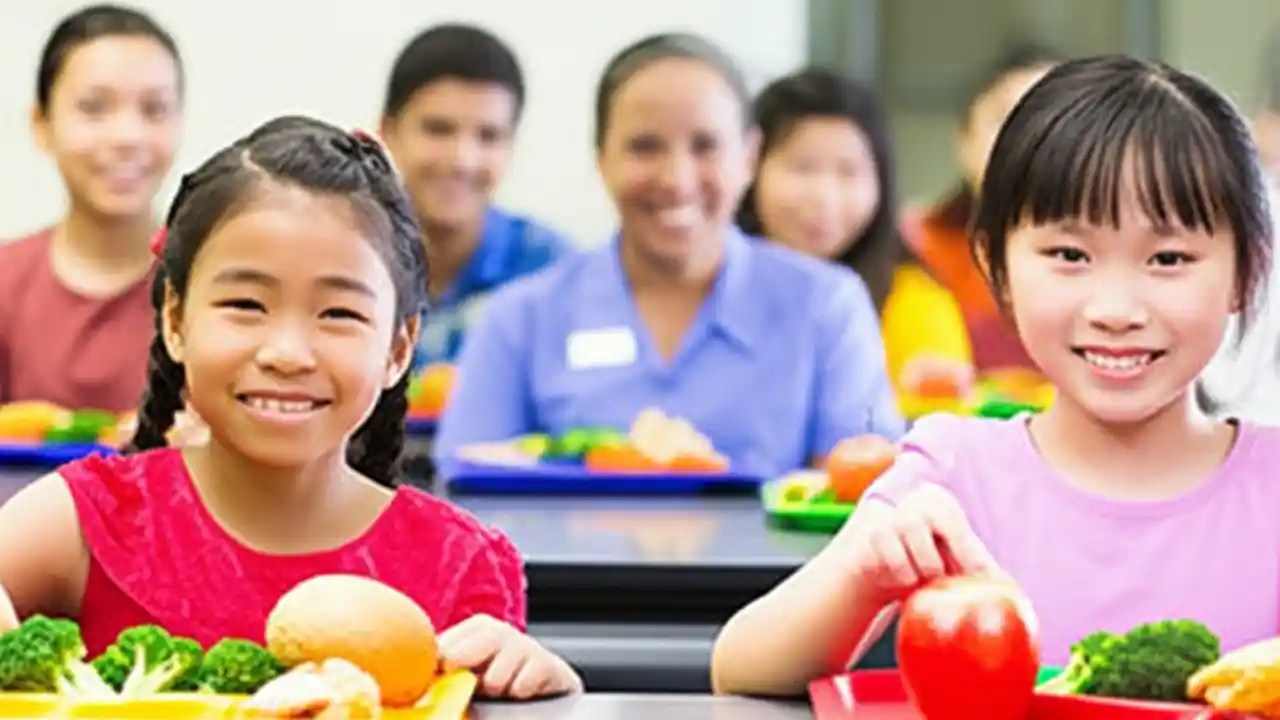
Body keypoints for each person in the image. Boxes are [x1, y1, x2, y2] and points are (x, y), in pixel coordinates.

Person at [711, 54, 1280, 696]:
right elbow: (739, 668)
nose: (1116, 310)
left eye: (1168, 258)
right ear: (997, 266)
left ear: (1246, 274)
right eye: (1070, 254)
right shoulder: (951, 471)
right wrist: (862, 572)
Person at [0, 117, 580, 700]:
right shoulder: (80, 521)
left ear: (399, 348)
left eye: (339, 314)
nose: (287, 353)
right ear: (175, 320)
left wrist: (553, 697)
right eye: (246, 304)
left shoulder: (461, 564)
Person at [433, 34, 904, 480]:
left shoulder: (826, 306)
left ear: (748, 155)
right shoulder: (521, 317)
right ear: (602, 159)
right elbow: (468, 492)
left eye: (705, 146)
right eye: (644, 147)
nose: (677, 178)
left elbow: (864, 495)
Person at [736, 68, 973, 397]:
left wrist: (933, 389)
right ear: (748, 165)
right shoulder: (708, 285)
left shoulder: (913, 302)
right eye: (802, 167)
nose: (823, 197)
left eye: (848, 171)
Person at [0, 4, 182, 413]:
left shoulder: (209, 285)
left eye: (154, 109)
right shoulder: (6, 285)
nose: (127, 136)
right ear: (40, 123)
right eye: (94, 107)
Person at [379, 24, 572, 368]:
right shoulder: (348, 260)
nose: (461, 160)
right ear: (387, 131)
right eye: (438, 129)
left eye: (488, 136)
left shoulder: (554, 273)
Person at [906, 45, 1061, 375]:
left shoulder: (1123, 257)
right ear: (964, 139)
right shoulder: (908, 249)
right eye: (1005, 118)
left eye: (1050, 120)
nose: (1025, 140)